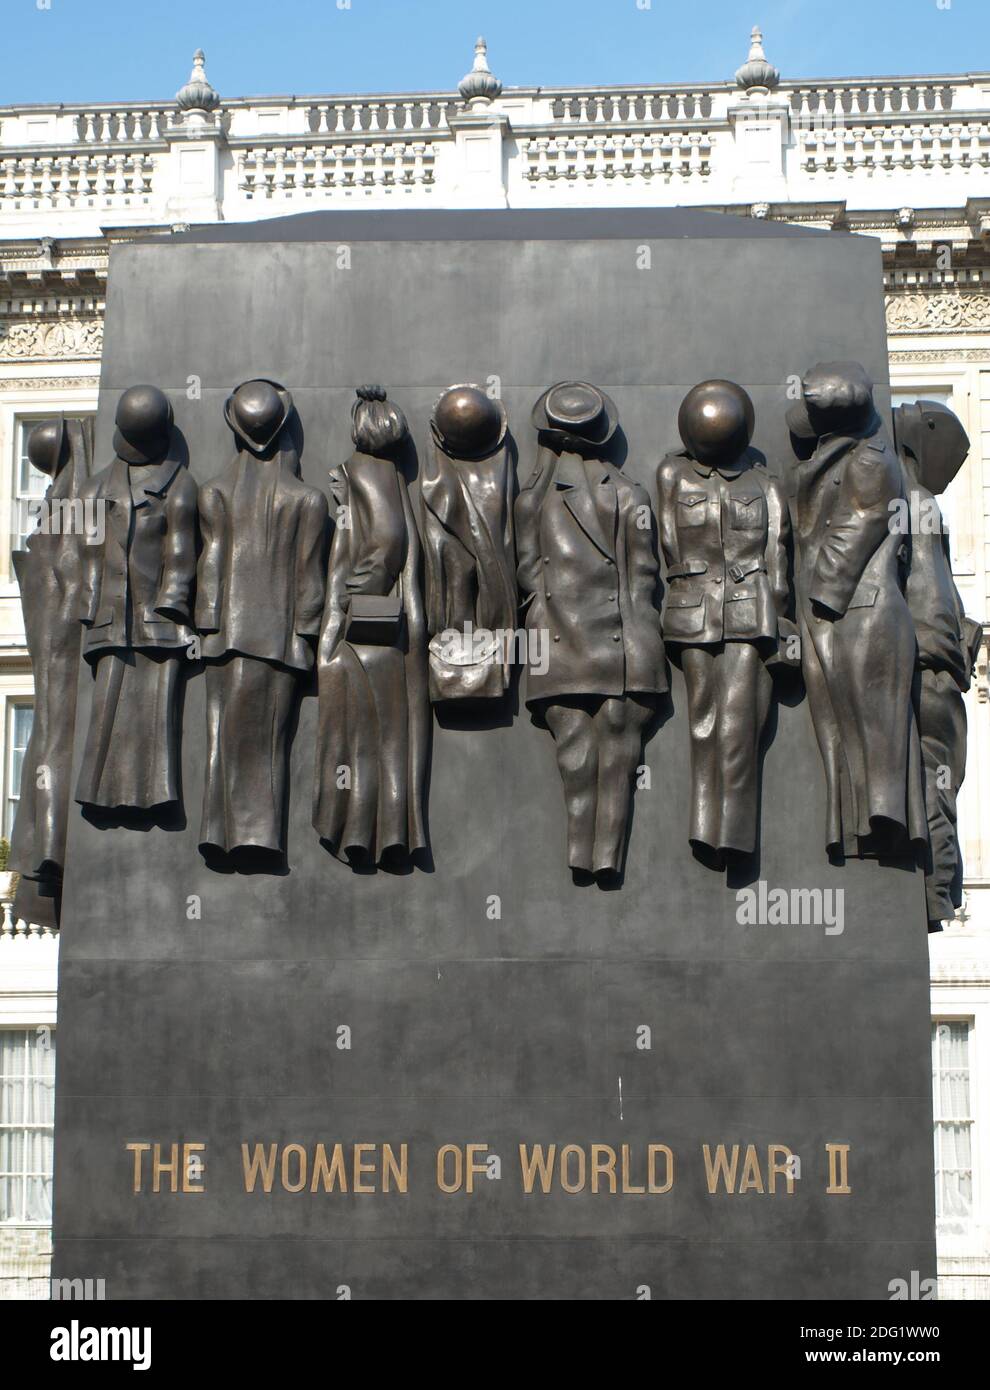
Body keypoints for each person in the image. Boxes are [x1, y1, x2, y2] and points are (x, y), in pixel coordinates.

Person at [515, 381, 666, 882]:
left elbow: (641, 576)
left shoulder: (623, 495)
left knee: (608, 758)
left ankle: (603, 859)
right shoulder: (542, 500)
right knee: (584, 757)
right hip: (568, 642)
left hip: (615, 644)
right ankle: (586, 856)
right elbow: (532, 576)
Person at [786, 362, 926, 859]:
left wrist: (813, 598)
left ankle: (878, 826)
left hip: (857, 612)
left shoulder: (870, 459)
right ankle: (854, 827)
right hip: (837, 615)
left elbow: (853, 534)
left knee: (872, 736)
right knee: (840, 733)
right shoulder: (843, 454)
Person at [656, 380, 793, 858]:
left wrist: (778, 615)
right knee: (703, 721)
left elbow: (777, 556)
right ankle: (703, 827)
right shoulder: (672, 476)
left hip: (748, 613)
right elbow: (669, 542)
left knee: (739, 724)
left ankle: (733, 833)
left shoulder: (766, 484)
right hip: (694, 612)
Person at [197, 379, 328, 861]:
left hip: (224, 639)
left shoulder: (213, 493)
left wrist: (208, 629)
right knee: (264, 743)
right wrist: (307, 636)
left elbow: (210, 569)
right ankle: (252, 837)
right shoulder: (308, 500)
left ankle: (227, 833)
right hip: (278, 641)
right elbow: (310, 581)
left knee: (224, 739)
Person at [313, 386, 429, 866]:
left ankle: (366, 832)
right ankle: (379, 833)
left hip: (365, 634)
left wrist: (355, 593)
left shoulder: (368, 469)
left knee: (366, 740)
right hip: (374, 637)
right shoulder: (382, 472)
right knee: (374, 741)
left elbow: (387, 537)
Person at [75, 386, 197, 815]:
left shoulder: (180, 486)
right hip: (109, 620)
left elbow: (181, 555)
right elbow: (87, 555)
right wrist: (90, 608)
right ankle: (102, 795)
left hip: (158, 624)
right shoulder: (92, 490)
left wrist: (171, 605)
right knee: (106, 714)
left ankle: (155, 797)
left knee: (156, 718)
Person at [894, 399, 983, 929]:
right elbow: (930, 596)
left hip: (926, 663)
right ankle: (935, 890)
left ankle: (934, 888)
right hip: (933, 670)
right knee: (937, 779)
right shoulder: (918, 502)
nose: (949, 478)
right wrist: (948, 644)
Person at [9, 416, 90, 928]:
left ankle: (48, 852)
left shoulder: (53, 518)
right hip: (63, 657)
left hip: (55, 659)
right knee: (57, 739)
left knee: (51, 737)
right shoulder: (69, 521)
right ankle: (52, 852)